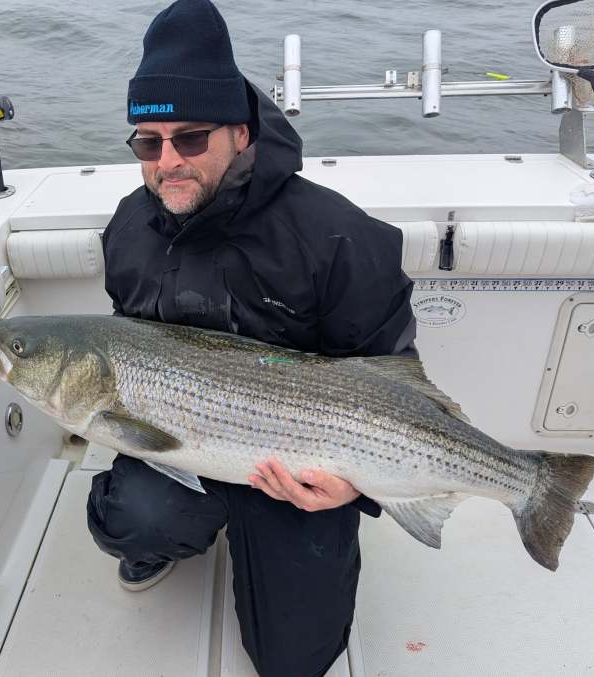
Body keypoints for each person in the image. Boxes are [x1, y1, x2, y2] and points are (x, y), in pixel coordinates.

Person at [86, 1, 416, 675]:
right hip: (188, 436)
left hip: (300, 464)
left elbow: (390, 373)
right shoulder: (128, 229)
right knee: (130, 519)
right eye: (148, 143)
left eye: (190, 139)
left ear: (240, 132)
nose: (167, 162)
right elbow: (126, 344)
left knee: (293, 661)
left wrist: (353, 486)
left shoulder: (335, 237)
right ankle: (171, 533)